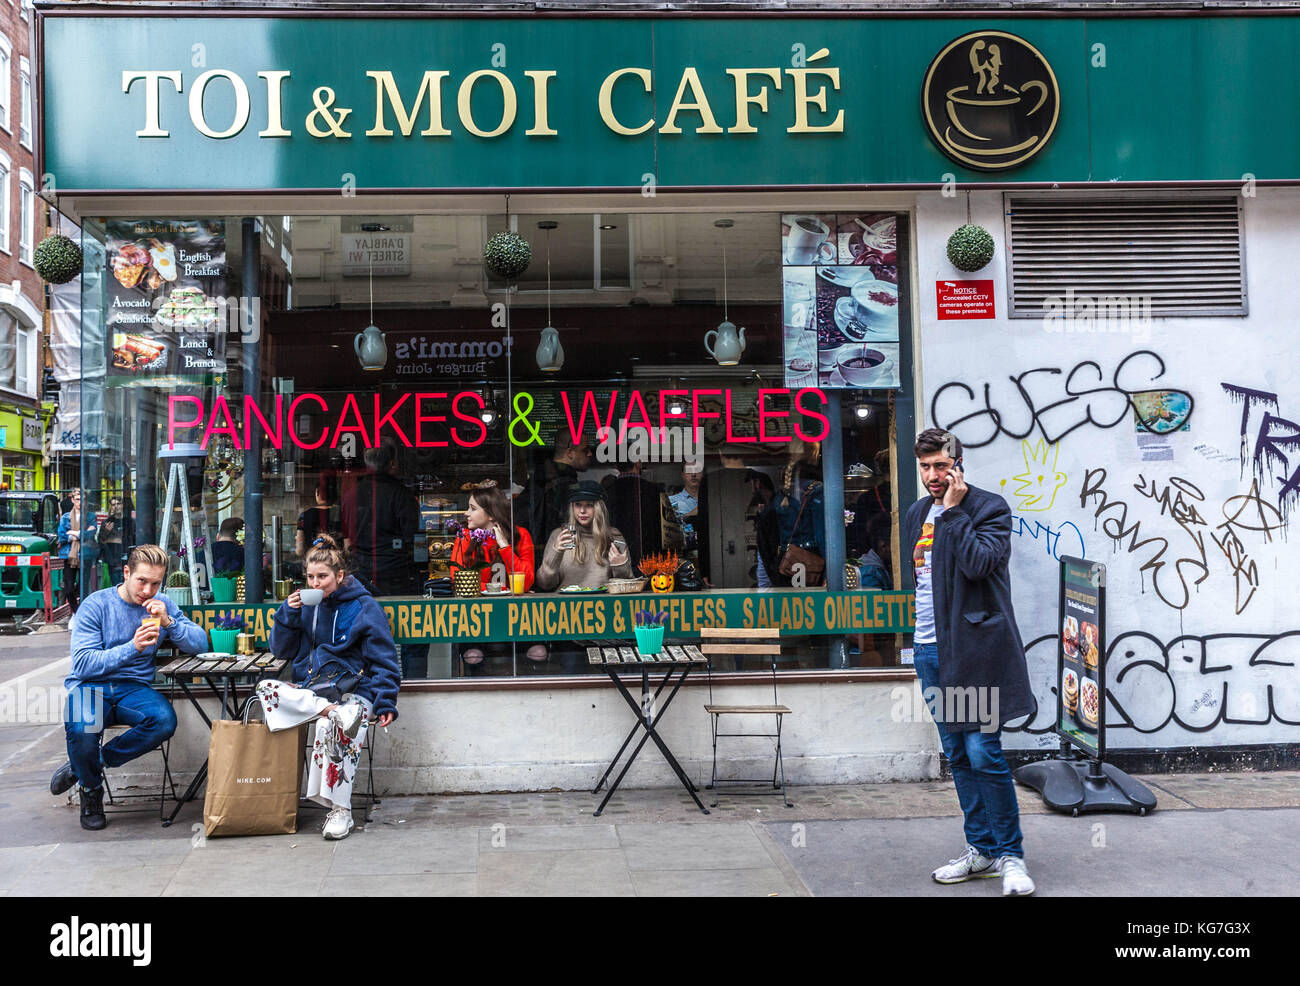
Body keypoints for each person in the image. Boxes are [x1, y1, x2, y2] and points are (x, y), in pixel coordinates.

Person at [904, 428, 1036, 897]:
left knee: (984, 752)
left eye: (941, 466)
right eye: (925, 467)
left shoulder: (988, 509)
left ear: (958, 465)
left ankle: (1011, 856)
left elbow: (980, 565)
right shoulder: (917, 513)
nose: (933, 476)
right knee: (958, 754)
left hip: (973, 651)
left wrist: (955, 514)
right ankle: (980, 849)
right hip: (930, 650)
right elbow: (921, 584)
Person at [49, 544, 210, 830]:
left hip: (133, 689)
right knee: (83, 726)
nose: (148, 590)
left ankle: (89, 764)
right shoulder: (96, 604)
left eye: (155, 583)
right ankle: (91, 791)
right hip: (90, 687)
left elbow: (200, 644)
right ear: (126, 573)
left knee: (162, 720)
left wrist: (169, 622)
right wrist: (132, 647)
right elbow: (84, 664)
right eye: (142, 581)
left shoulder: (162, 604)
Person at [261, 534, 400, 840]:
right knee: (266, 689)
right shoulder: (304, 606)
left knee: (331, 724)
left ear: (340, 576)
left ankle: (340, 811)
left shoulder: (364, 606)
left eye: (322, 577)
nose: (315, 584)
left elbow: (385, 659)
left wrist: (386, 701)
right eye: (310, 577)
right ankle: (328, 709)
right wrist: (287, 614)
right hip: (313, 690)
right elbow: (281, 650)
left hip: (354, 690)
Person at [341, 439, 424, 677]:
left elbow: (345, 534)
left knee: (368, 634)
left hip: (362, 574)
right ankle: (413, 682)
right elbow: (414, 537)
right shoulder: (401, 493)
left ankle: (370, 683)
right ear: (392, 463)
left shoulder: (350, 494)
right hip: (399, 575)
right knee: (413, 633)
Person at [451, 481, 546, 669]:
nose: (466, 513)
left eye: (472, 508)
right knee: (473, 656)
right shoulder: (465, 537)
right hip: (478, 616)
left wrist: (505, 547)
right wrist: (505, 590)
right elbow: (458, 581)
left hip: (517, 615)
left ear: (491, 514)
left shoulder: (520, 535)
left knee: (539, 652)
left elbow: (526, 582)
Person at [534, 481, 635, 591]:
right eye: (578, 505)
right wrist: (556, 553)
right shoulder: (560, 535)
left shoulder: (614, 536)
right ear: (572, 507)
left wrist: (620, 566)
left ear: (598, 508)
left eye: (589, 505)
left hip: (603, 605)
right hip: (566, 605)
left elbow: (627, 588)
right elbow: (544, 584)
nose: (582, 511)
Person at [56, 489, 95, 611]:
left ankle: (82, 612)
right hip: (69, 555)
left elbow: (91, 534)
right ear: (72, 500)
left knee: (83, 587)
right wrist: (81, 534)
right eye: (77, 499)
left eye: (83, 500)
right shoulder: (66, 517)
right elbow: (61, 535)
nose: (80, 502)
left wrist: (75, 534)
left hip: (84, 554)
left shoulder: (90, 516)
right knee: (68, 589)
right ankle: (75, 612)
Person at [296, 476, 340, 558]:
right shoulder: (341, 514)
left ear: (317, 493)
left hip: (313, 562)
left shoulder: (304, 516)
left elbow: (299, 550)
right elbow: (348, 547)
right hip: (335, 561)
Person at [96, 496, 126, 587]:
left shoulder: (128, 521)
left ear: (122, 505)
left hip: (125, 559)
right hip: (112, 561)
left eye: (118, 504)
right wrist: (106, 531)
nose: (116, 506)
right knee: (116, 586)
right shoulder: (107, 521)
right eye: (113, 504)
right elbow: (100, 540)